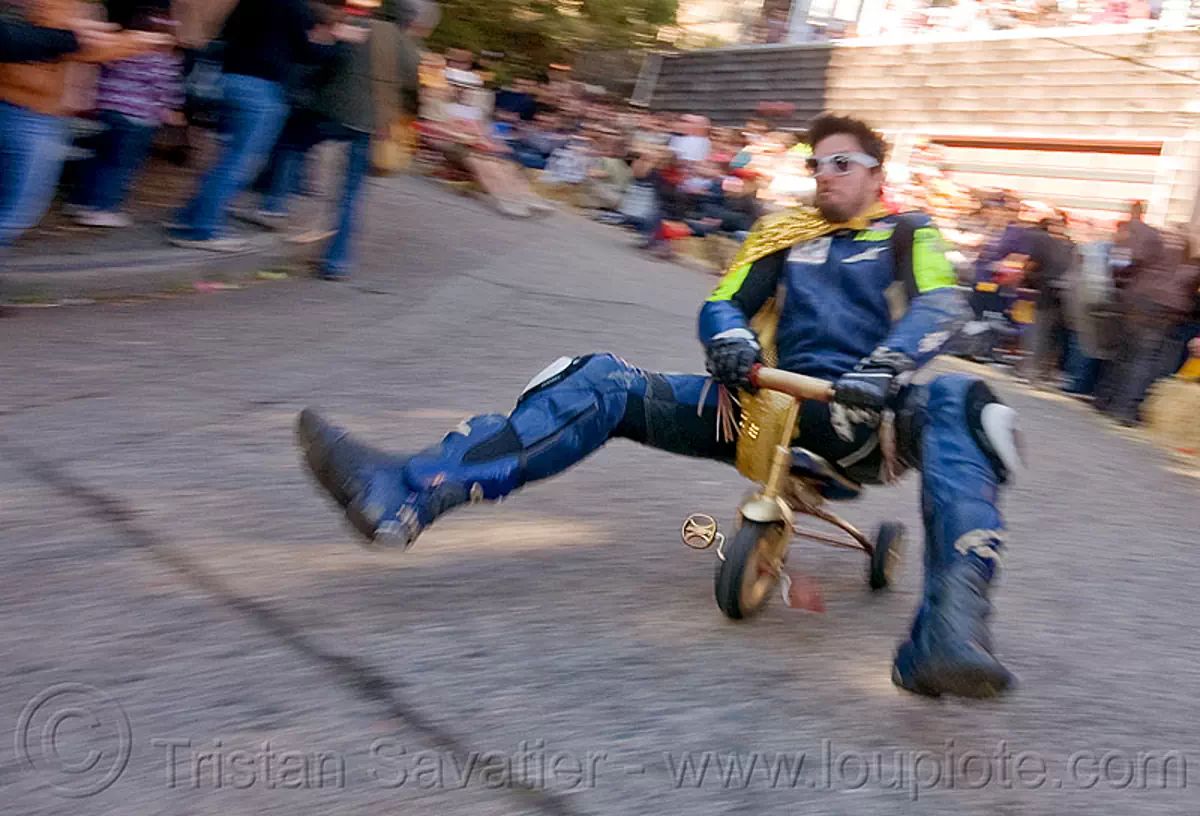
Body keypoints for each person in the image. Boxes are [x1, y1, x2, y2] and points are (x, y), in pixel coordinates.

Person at [295, 114, 1024, 700]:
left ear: (875, 175)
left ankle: (950, 629)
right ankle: (407, 491)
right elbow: (724, 301)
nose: (825, 174)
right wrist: (731, 340)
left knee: (966, 400)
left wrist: (886, 366)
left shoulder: (908, 232)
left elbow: (940, 302)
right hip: (758, 404)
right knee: (599, 379)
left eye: (842, 162)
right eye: (816, 163)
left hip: (865, 417)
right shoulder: (784, 234)